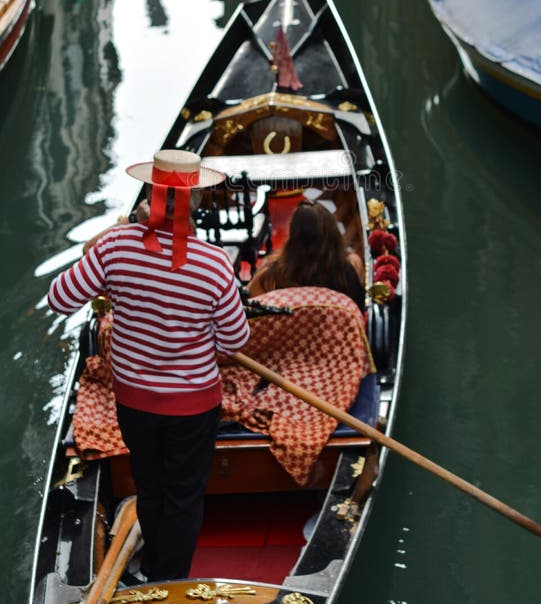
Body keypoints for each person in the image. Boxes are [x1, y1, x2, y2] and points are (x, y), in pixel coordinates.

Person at [47, 149, 250, 582]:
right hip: (194, 403)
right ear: (195, 200)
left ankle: (156, 570)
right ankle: (168, 577)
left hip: (135, 401)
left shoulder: (116, 247)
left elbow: (60, 298)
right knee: (183, 494)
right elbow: (234, 342)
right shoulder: (215, 264)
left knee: (151, 485)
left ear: (149, 197)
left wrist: (116, 233)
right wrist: (196, 335)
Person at [247, 200, 365, 310]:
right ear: (333, 234)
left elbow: (251, 303)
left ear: (293, 237)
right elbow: (359, 310)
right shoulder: (350, 268)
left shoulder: (271, 273)